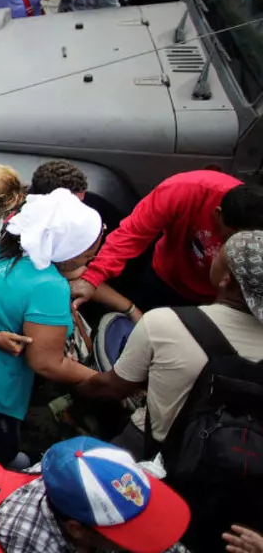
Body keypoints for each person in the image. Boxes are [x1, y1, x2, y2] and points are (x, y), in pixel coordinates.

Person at [78, 230, 263, 551]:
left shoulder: (164, 323)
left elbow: (111, 388)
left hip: (150, 455)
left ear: (225, 279)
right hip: (244, 489)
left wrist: (70, 376)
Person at [0, 189, 104, 464]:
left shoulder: (2, 249)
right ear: (66, 249)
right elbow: (45, 362)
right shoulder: (49, 286)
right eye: (89, 250)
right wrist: (100, 380)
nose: (92, 256)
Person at [73, 170, 263, 311]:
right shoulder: (184, 190)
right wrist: (93, 277)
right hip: (163, 278)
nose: (232, 246)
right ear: (217, 214)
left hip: (222, 300)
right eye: (230, 238)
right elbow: (131, 234)